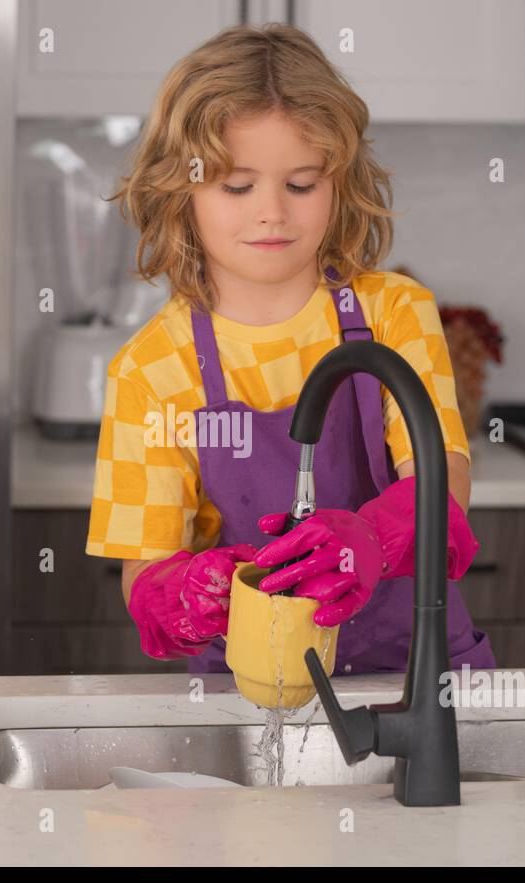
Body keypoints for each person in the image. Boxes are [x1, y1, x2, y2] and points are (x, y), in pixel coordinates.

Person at [85, 23, 495, 676]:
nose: (272, 212)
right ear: (179, 190)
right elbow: (145, 564)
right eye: (237, 186)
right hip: (250, 694)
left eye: (301, 184)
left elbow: (445, 484)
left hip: (418, 678)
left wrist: (368, 538)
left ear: (340, 186)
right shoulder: (150, 370)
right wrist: (178, 595)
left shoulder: (395, 311)